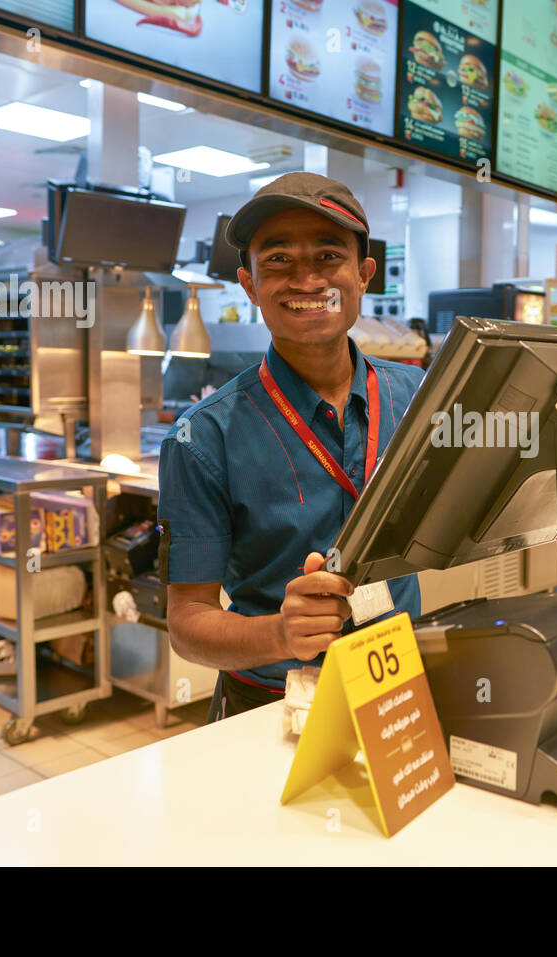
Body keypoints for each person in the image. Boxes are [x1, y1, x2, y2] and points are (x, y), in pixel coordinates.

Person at [157, 173, 424, 722]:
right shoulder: (203, 437)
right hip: (269, 708)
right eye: (277, 260)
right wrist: (282, 633)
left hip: (399, 687)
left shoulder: (418, 397)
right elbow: (187, 624)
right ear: (250, 285)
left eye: (328, 256)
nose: (306, 279)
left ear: (363, 275)